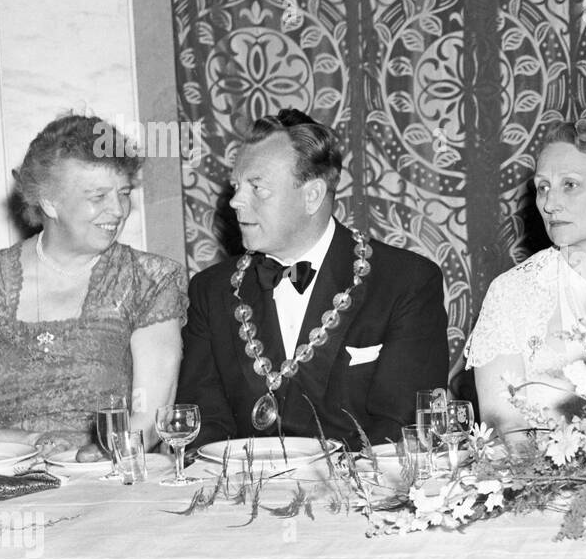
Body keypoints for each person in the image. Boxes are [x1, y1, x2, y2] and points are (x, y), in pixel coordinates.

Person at [177, 109, 448, 449]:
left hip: (358, 494)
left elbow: (402, 426)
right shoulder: (211, 290)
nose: (235, 201)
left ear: (312, 195)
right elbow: (202, 423)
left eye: (256, 187)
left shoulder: (405, 282)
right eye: (236, 186)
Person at [0, 114, 186, 455]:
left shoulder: (149, 281)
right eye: (98, 196)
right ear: (49, 202)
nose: (117, 210)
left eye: (124, 192)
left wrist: (91, 456)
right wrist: (33, 444)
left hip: (107, 480)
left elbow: (150, 416)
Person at [466, 114, 586, 443]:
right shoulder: (512, 293)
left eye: (569, 185)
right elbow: (505, 433)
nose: (550, 204)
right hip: (543, 487)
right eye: (543, 187)